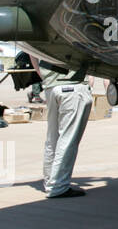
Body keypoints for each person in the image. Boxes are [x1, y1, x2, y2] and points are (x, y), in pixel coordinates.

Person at [39, 62, 93, 199]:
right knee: (68, 139)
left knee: (52, 139)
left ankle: (50, 181)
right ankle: (58, 185)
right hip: (72, 83)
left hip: (51, 84)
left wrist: (45, 77)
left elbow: (31, 53)